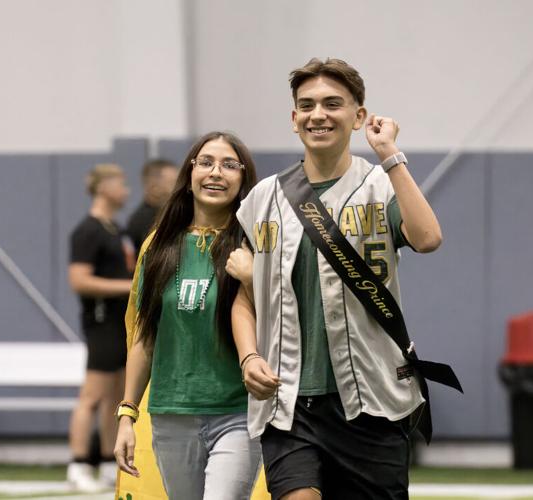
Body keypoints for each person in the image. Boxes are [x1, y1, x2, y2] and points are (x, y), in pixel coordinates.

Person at [231, 58, 447, 499]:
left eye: (333, 104)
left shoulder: (379, 186)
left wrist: (390, 155)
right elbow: (245, 299)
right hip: (289, 404)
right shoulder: (263, 199)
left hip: (373, 401)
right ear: (294, 118)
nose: (318, 115)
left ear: (358, 116)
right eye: (307, 105)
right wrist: (249, 357)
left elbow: (427, 239)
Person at [114, 131, 261, 499]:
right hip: (171, 415)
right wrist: (127, 414)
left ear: (243, 179)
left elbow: (284, 320)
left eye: (229, 165)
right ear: (190, 173)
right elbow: (145, 337)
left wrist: (254, 277)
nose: (216, 172)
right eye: (206, 162)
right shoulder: (158, 246)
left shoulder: (257, 245)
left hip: (238, 413)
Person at [67, 164, 134, 492]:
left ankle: (109, 463)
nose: (126, 190)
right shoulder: (87, 231)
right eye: (121, 183)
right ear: (104, 187)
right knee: (91, 396)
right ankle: (79, 464)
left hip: (122, 324)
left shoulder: (116, 229)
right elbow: (79, 280)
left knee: (115, 398)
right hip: (101, 323)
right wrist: (129, 287)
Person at [126, 158, 179, 253]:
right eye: (173, 183)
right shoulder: (143, 221)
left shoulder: (170, 214)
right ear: (154, 187)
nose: (179, 188)